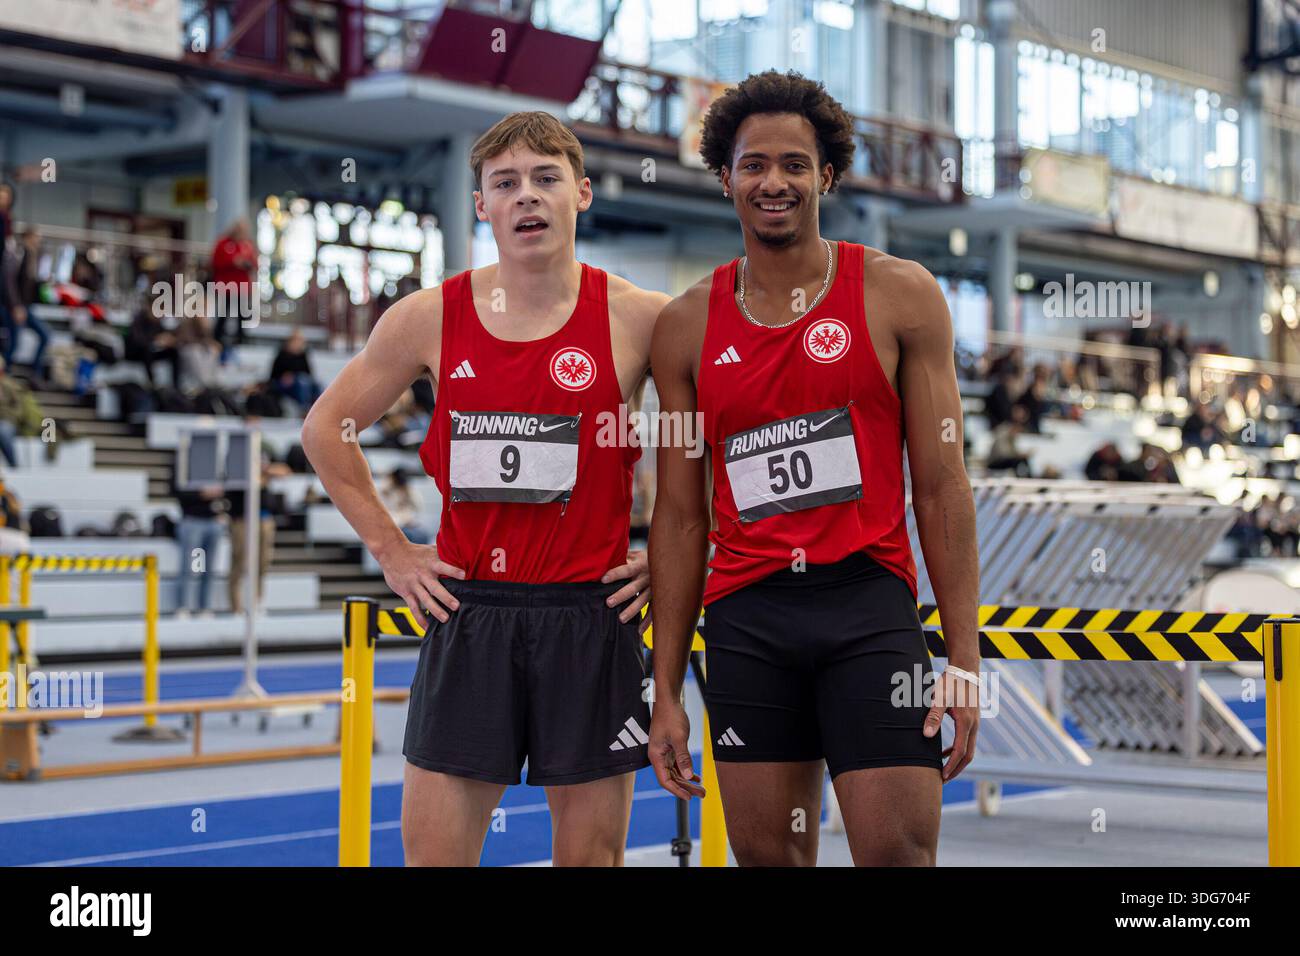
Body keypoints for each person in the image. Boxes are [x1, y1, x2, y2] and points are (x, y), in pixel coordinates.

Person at [302, 111, 669, 866]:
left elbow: (712, 443)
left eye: (545, 179)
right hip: (470, 614)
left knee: (591, 859)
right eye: (505, 183)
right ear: (481, 206)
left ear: (583, 193)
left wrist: (669, 553)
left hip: (590, 615)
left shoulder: (642, 320)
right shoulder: (429, 317)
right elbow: (325, 429)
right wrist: (393, 550)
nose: (525, 197)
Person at [646, 71, 980, 867]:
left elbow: (941, 486)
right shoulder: (685, 327)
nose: (774, 182)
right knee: (770, 861)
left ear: (826, 175)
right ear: (725, 177)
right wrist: (662, 688)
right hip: (748, 619)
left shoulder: (900, 296)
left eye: (795, 164)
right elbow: (682, 517)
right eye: (754, 164)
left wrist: (963, 658)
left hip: (869, 607)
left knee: (897, 854)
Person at [173, 479, 226, 619]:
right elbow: (176, 489)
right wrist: (201, 493)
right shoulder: (185, 462)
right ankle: (183, 606)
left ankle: (205, 607)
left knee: (207, 568)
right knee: (191, 566)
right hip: (192, 521)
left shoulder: (215, 465)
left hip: (213, 522)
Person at [211, 219, 257, 349]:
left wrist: (246, 264)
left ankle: (241, 341)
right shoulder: (223, 243)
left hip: (242, 287)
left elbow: (254, 264)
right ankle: (217, 340)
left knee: (243, 315)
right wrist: (233, 262)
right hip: (226, 286)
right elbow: (215, 262)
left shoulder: (247, 245)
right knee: (223, 315)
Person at [269, 329, 321, 409]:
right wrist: (285, 377)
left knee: (316, 385)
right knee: (302, 383)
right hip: (283, 383)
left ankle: (318, 408)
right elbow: (273, 375)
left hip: (299, 381)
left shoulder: (303, 355)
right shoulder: (282, 354)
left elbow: (309, 373)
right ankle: (304, 409)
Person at [378, 467, 428, 544]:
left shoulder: (409, 491)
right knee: (406, 536)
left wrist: (409, 492)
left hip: (407, 525)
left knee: (421, 536)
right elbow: (385, 511)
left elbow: (418, 508)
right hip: (393, 525)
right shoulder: (386, 491)